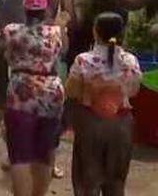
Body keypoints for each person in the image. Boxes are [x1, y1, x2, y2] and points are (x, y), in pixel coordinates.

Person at [0, 0, 65, 196]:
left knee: (20, 154)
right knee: (44, 152)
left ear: (24, 9)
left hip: (21, 93)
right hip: (51, 92)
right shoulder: (55, 32)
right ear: (44, 10)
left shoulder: (11, 31)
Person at [66, 12, 142, 196]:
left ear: (95, 32)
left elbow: (72, 92)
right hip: (121, 124)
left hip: (90, 123)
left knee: (87, 182)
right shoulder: (131, 61)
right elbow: (134, 91)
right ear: (122, 33)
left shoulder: (83, 60)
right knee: (116, 182)